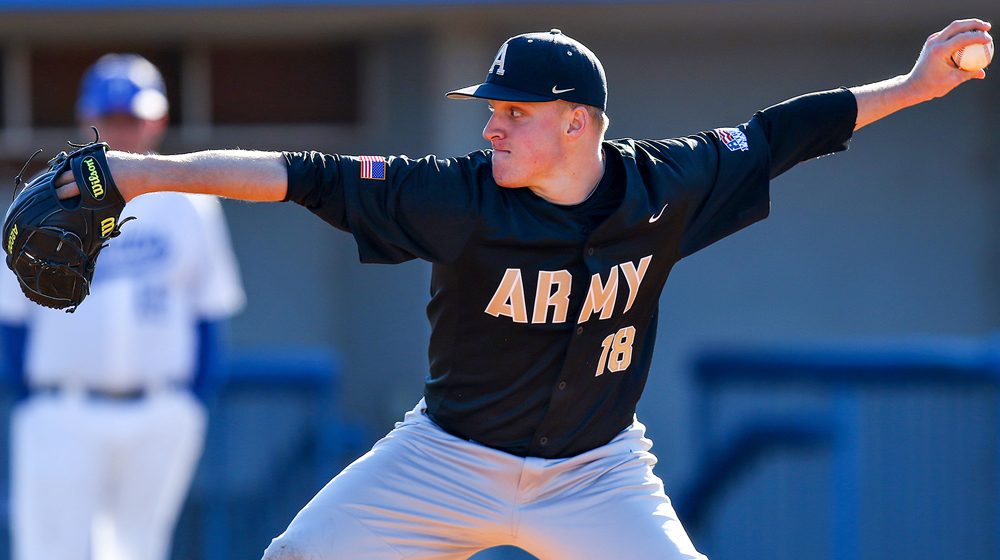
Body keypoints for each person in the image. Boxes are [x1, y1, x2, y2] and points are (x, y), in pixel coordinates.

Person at [50, 19, 990, 560]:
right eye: (489, 110)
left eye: (513, 111)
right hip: (443, 459)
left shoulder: (668, 185)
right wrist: (142, 176)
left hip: (598, 473)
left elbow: (790, 130)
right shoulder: (457, 195)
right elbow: (301, 173)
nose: (492, 126)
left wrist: (913, 86)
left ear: (577, 124)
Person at [0, 54, 246, 560]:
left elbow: (208, 314)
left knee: (140, 550)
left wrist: (190, 404)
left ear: (156, 121)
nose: (123, 130)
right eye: (111, 118)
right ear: (86, 121)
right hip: (61, 407)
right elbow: (12, 321)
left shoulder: (190, 201)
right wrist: (31, 401)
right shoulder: (41, 201)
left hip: (161, 409)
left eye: (133, 118)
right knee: (50, 552)